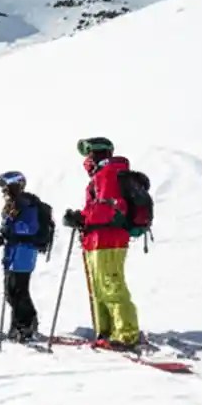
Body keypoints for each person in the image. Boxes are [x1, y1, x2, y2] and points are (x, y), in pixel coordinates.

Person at [62, 137, 141, 347]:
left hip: (108, 239)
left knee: (111, 286)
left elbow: (110, 208)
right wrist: (82, 217)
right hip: (98, 239)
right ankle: (105, 331)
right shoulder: (101, 176)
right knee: (99, 288)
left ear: (97, 153)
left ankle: (126, 334)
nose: (86, 160)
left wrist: (82, 218)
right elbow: (99, 207)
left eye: (88, 155)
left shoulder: (107, 174)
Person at [0, 171, 41, 342]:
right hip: (13, 253)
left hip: (24, 252)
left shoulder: (27, 204)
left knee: (19, 290)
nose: (3, 191)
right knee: (11, 292)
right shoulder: (12, 205)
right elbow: (9, 231)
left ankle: (26, 325)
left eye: (5, 187)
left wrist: (13, 228)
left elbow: (31, 228)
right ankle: (19, 324)